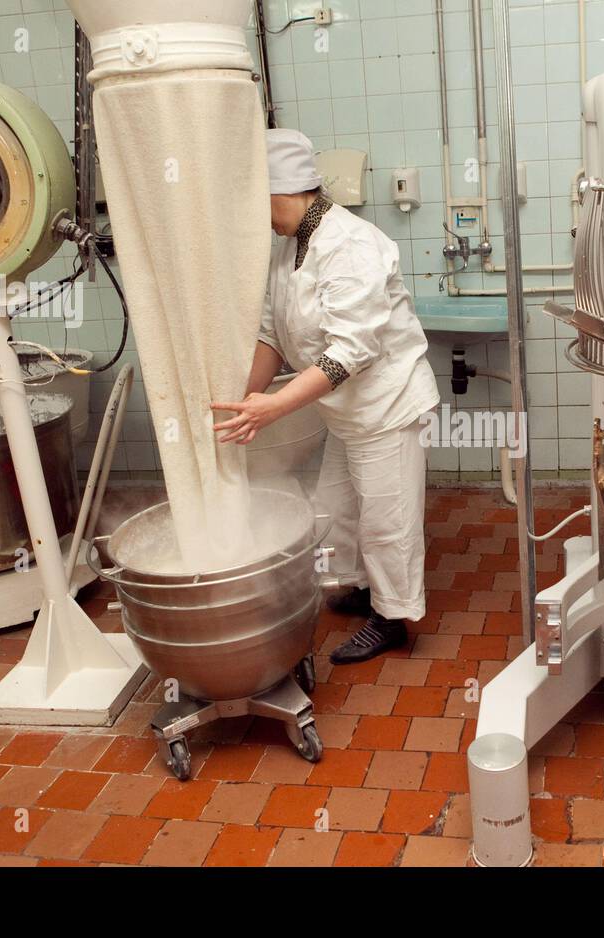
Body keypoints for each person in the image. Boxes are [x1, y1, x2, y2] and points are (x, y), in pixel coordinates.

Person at [213, 128, 440, 665]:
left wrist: (275, 407)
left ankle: (395, 617)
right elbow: (272, 332)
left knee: (388, 522)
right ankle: (362, 590)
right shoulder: (289, 247)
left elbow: (351, 351)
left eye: (256, 201)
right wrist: (248, 397)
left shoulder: (351, 244)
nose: (256, 216)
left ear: (282, 190)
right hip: (345, 410)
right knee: (335, 510)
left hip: (386, 407)